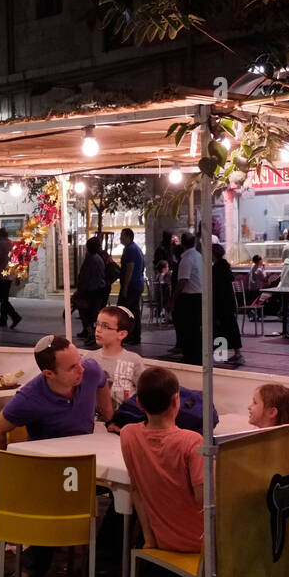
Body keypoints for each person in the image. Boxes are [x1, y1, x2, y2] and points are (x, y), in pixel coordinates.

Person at [0, 335, 113, 577]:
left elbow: (101, 383)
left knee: (132, 495)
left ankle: (103, 566)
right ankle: (38, 564)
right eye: (72, 367)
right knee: (57, 498)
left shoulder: (89, 370)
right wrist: (2, 471)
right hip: (48, 472)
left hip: (86, 463)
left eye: (79, 361)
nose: (81, 369)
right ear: (48, 373)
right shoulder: (29, 397)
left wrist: (110, 418)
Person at [119, 366, 205, 553]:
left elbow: (136, 490)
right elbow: (204, 500)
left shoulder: (128, 434)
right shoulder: (192, 442)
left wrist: (149, 539)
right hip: (200, 544)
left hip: (161, 541)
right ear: (176, 400)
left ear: (139, 404)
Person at [88, 305, 143, 412]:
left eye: (105, 326)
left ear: (122, 334)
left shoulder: (134, 360)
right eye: (98, 324)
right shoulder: (88, 359)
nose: (98, 330)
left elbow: (144, 393)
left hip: (124, 420)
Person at [169, 232, 203, 364]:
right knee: (194, 327)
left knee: (188, 328)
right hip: (198, 296)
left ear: (182, 244)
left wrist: (173, 299)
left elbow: (183, 280)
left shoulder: (187, 259)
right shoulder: (199, 256)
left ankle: (191, 355)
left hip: (189, 297)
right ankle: (195, 354)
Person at [210, 244, 245, 366]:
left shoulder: (216, 269)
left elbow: (215, 288)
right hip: (228, 303)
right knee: (230, 328)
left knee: (221, 328)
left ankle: (222, 355)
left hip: (221, 303)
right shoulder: (224, 267)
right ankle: (235, 353)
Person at [76, 235, 109, 342]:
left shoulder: (91, 259)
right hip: (98, 290)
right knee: (92, 313)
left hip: (91, 290)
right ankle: (90, 332)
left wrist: (80, 288)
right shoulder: (98, 258)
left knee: (86, 313)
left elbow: (85, 275)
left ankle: (91, 334)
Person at [117, 228, 145, 346]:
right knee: (132, 311)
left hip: (132, 286)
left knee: (127, 312)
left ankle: (133, 336)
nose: (120, 238)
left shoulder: (130, 250)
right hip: (137, 284)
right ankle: (133, 335)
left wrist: (125, 287)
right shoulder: (136, 249)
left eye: (122, 236)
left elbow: (130, 268)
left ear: (128, 237)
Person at [0, 227, 22, 329]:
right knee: (4, 297)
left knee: (1, 297)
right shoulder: (13, 245)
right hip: (10, 275)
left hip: (0, 275)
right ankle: (3, 320)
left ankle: (15, 316)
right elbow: (16, 261)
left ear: (1, 234)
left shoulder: (0, 245)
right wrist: (17, 276)